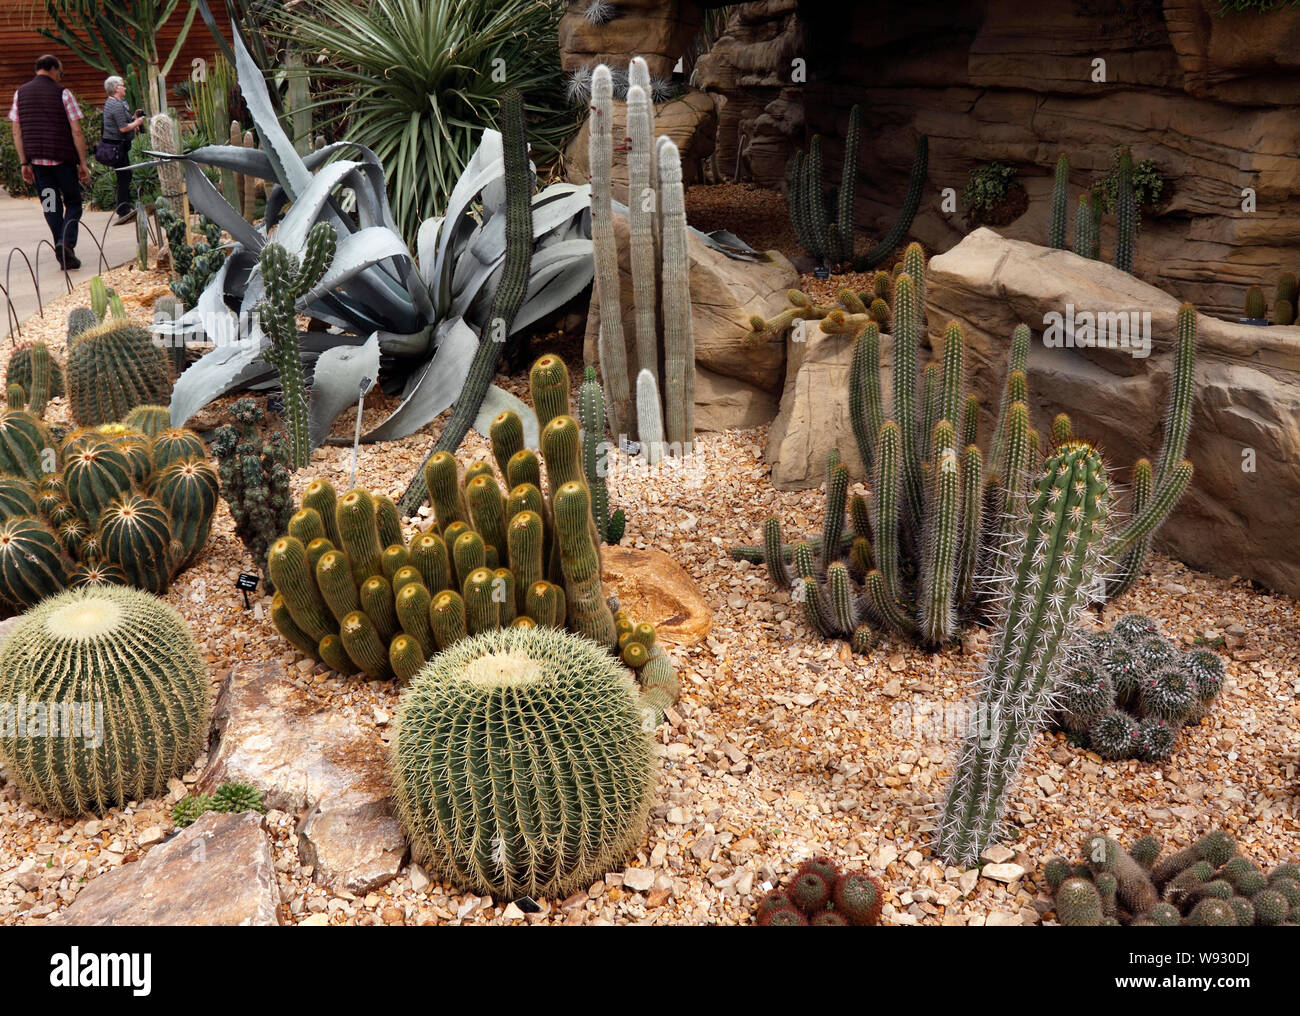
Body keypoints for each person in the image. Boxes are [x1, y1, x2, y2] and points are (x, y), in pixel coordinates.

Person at [9, 54, 91, 270]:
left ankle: (62, 246)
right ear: (54, 69)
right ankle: (65, 243)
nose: (60, 77)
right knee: (73, 202)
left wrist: (23, 163)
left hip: (37, 164)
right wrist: (83, 162)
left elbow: (16, 130)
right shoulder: (63, 93)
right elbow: (77, 130)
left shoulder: (20, 94)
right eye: (60, 73)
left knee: (50, 206)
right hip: (63, 162)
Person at [100, 75, 145, 225]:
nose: (125, 87)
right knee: (124, 176)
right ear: (116, 88)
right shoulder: (115, 105)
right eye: (122, 85)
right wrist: (137, 122)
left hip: (119, 146)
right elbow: (123, 127)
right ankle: (123, 209)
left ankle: (124, 206)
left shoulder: (118, 103)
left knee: (125, 175)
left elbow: (124, 121)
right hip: (116, 147)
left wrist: (134, 117)